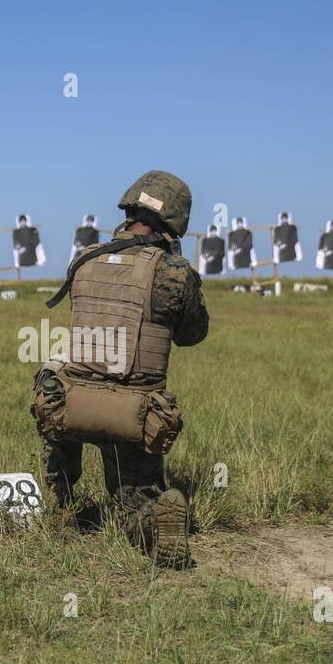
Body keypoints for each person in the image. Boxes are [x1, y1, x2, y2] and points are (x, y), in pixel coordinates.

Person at [33, 170, 208, 565]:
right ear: (176, 221)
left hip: (74, 407)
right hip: (134, 416)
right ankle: (150, 520)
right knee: (136, 501)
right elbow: (193, 334)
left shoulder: (85, 258)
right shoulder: (173, 271)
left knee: (51, 370)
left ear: (128, 209)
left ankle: (60, 501)